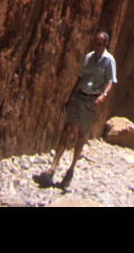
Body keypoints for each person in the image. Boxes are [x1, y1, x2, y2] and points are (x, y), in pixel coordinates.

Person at [47, 30, 117, 186]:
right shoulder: (88, 57)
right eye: (95, 43)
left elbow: (111, 81)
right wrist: (69, 96)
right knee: (67, 129)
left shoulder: (109, 61)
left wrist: (102, 96)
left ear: (106, 44)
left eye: (100, 44)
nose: (97, 46)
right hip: (79, 97)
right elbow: (80, 78)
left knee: (81, 135)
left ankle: (71, 169)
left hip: (92, 102)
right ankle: (53, 166)